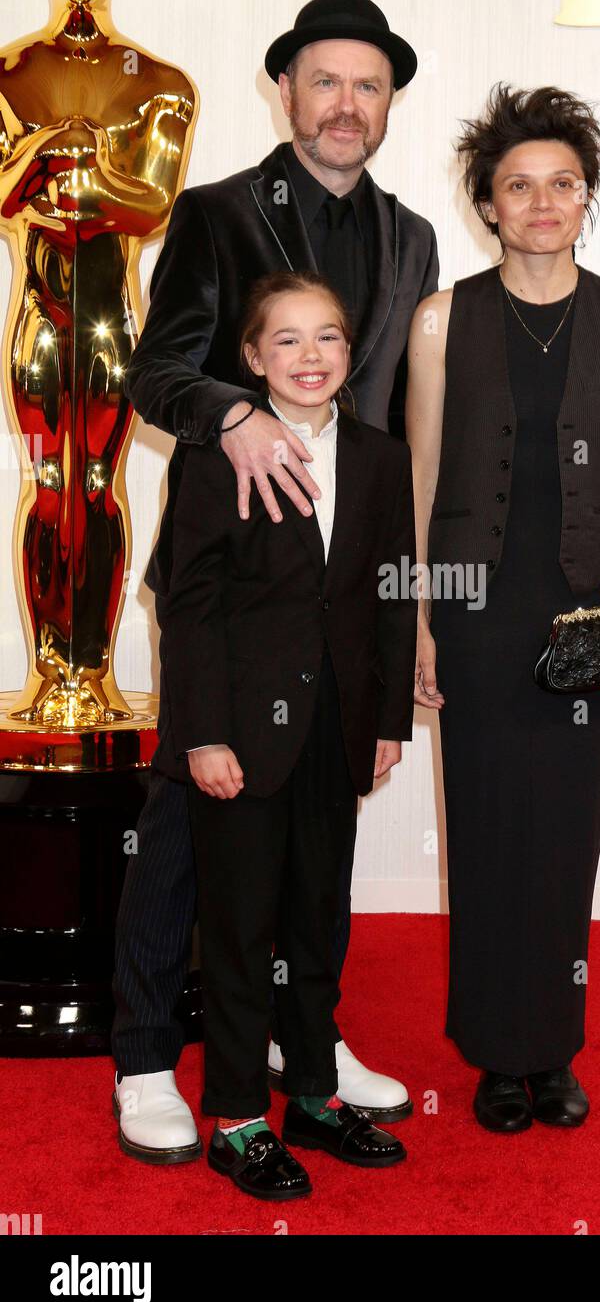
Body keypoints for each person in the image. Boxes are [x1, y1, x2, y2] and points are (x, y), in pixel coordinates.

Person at [112, 0, 438, 1164]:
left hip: (340, 588)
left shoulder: (412, 239)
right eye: (325, 81)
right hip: (235, 578)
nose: (346, 104)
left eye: (369, 85)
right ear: (286, 90)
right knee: (185, 822)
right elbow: (156, 374)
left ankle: (311, 1053)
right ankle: (149, 1051)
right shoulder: (216, 213)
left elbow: (398, 417)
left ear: (388, 102)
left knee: (309, 857)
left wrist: (410, 623)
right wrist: (235, 414)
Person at [406, 83, 600, 1132]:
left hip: (591, 619)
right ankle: (490, 1053)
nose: (542, 201)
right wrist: (420, 622)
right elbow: (426, 483)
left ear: (587, 198)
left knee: (565, 835)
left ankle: (552, 1051)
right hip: (475, 611)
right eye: (518, 185)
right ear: (487, 204)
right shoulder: (443, 320)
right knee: (482, 830)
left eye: (563, 183)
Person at [150, 270, 416, 1198]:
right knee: (238, 929)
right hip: (241, 737)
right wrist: (203, 734)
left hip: (335, 729)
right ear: (253, 358)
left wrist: (387, 722)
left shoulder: (384, 460)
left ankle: (311, 1091)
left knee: (317, 922)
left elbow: (390, 593)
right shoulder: (212, 454)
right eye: (288, 341)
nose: (311, 357)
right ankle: (233, 1117)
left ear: (352, 353)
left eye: (329, 338)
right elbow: (190, 610)